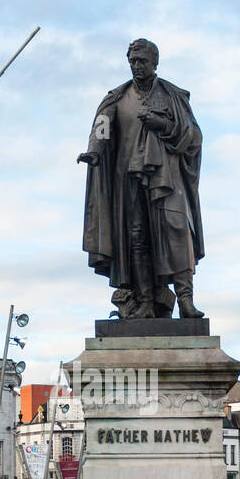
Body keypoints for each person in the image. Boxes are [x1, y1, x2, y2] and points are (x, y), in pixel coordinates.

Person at [78, 38, 205, 319]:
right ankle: (146, 301)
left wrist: (164, 125)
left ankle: (185, 300)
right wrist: (94, 152)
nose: (136, 66)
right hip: (129, 181)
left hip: (166, 179)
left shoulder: (174, 96)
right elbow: (102, 128)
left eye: (142, 61)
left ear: (154, 63)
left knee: (177, 233)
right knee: (137, 239)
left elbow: (194, 137)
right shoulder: (118, 97)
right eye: (132, 61)